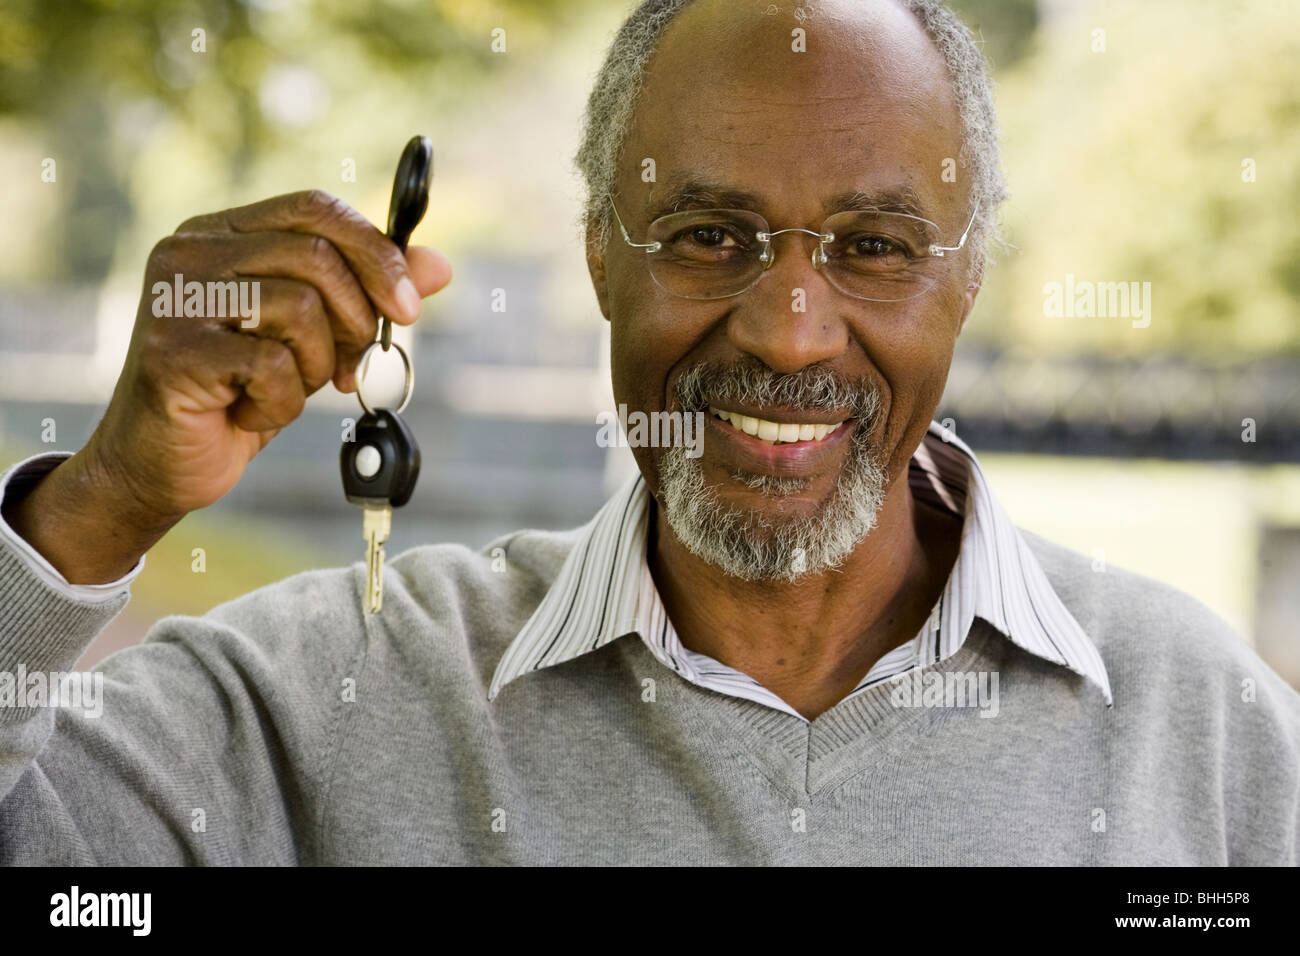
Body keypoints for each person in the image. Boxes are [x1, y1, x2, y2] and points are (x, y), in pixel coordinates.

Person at [1, 0, 1296, 865]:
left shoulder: (1200, 721)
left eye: (873, 249)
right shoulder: (325, 694)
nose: (790, 332)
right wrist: (104, 501)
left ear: (969, 278)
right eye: (708, 237)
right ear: (597, 263)